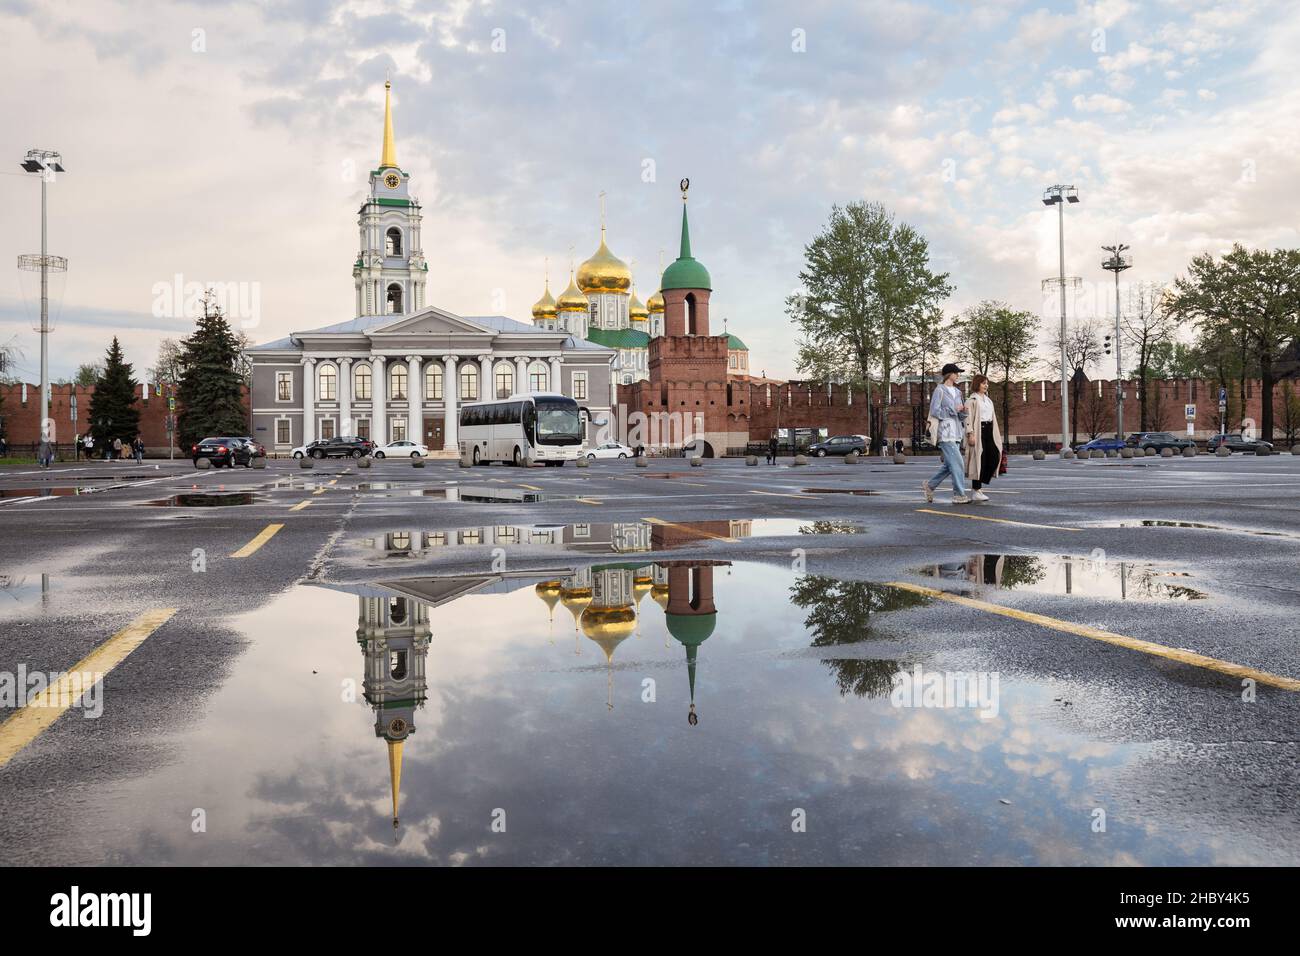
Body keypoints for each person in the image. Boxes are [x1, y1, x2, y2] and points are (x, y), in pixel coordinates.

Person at [922, 363, 970, 505]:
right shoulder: (940, 390)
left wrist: (963, 412)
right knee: (958, 463)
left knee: (950, 465)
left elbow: (960, 416)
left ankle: (930, 486)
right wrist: (953, 410)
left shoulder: (958, 392)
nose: (958, 375)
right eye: (956, 373)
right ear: (949, 374)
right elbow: (935, 411)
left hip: (956, 432)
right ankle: (959, 495)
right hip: (945, 432)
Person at [964, 374, 1003, 503]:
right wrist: (970, 433)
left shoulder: (988, 400)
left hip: (989, 430)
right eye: (983, 383)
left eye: (987, 383)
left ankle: (981, 482)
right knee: (978, 459)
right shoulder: (972, 400)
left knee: (994, 456)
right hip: (978, 430)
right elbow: (968, 418)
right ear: (977, 384)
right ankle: (976, 490)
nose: (986, 385)